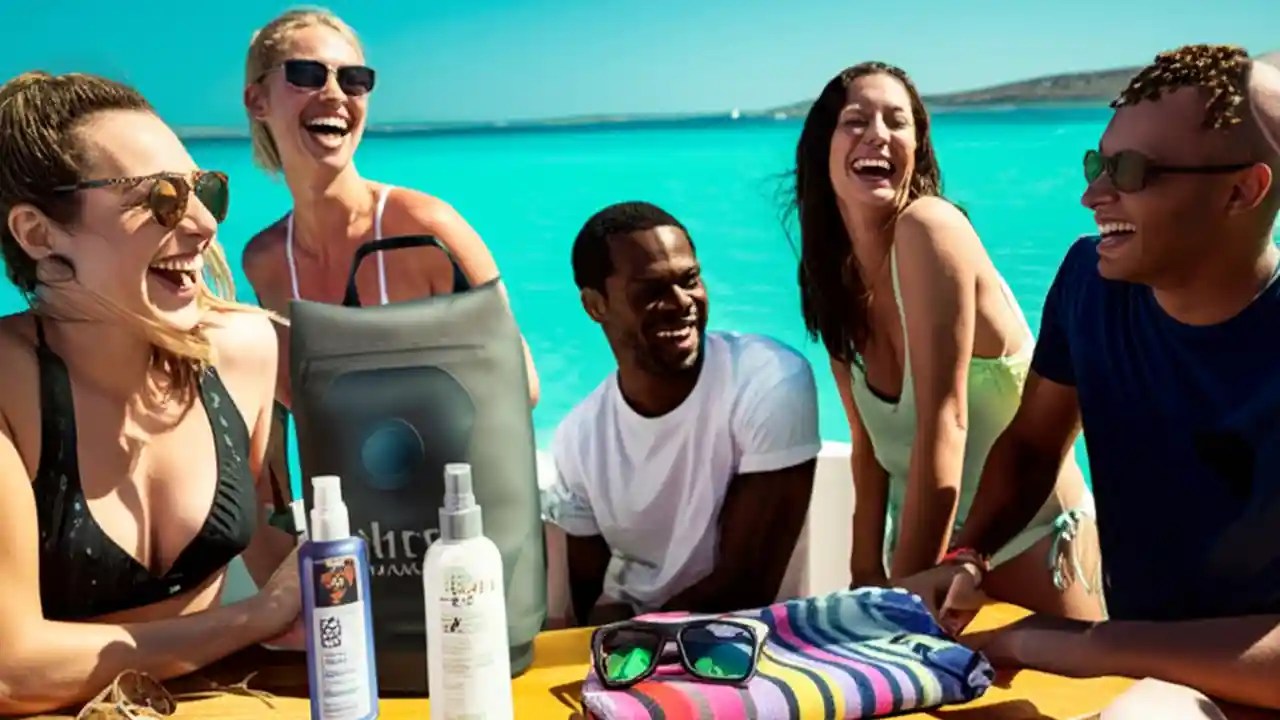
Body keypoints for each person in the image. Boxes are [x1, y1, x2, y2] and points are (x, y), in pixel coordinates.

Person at [911, 45, 1280, 716]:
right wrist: (969, 554)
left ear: (1241, 191)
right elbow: (1032, 443)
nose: (1092, 195)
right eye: (1098, 163)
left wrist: (1078, 644)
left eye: (1131, 171)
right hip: (1151, 676)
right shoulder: (1091, 283)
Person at [0, 71, 299, 715]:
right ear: (38, 234)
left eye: (204, 191)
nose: (201, 225)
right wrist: (252, 619)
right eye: (159, 199)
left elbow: (274, 545)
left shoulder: (244, 353)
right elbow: (9, 670)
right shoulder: (10, 392)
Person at [789, 61, 1103, 621]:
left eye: (897, 122)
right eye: (855, 121)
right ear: (821, 148)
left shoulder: (929, 228)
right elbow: (867, 449)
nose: (877, 135)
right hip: (921, 551)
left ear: (918, 147)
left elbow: (946, 422)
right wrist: (865, 575)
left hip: (1026, 546)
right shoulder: (830, 277)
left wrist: (904, 593)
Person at [239, 8, 541, 504]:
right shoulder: (266, 263)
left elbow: (521, 385)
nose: (335, 94)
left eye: (354, 80)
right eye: (307, 75)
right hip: (352, 530)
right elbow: (275, 440)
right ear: (257, 100)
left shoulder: (426, 228)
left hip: (458, 523)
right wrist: (282, 566)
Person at [543, 201, 821, 624]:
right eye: (650, 291)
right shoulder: (578, 438)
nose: (681, 303)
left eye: (689, 280)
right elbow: (586, 601)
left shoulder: (769, 380)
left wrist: (629, 638)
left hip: (741, 648)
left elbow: (746, 586)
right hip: (627, 656)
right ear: (595, 305)